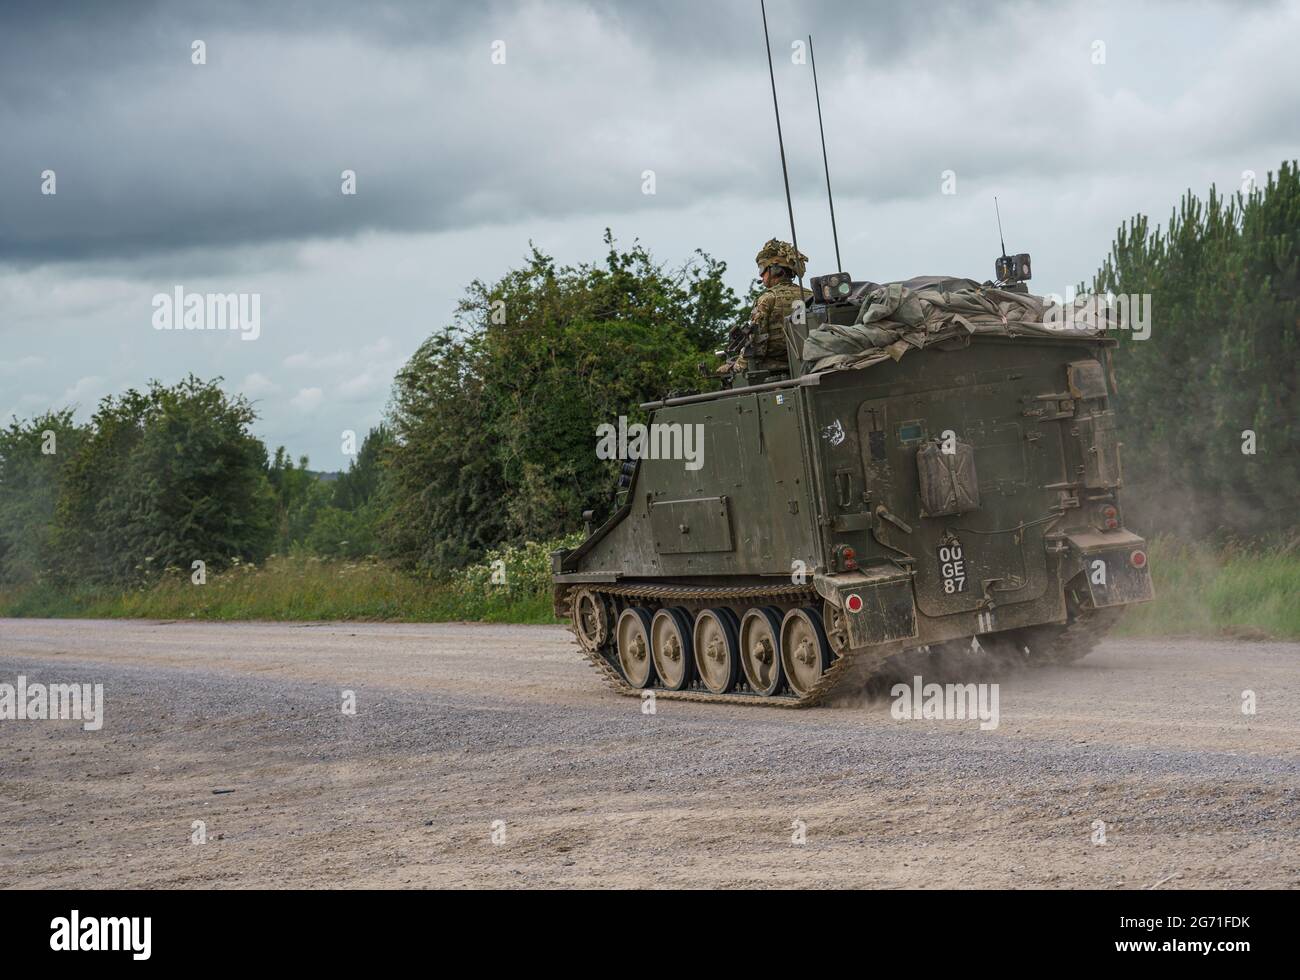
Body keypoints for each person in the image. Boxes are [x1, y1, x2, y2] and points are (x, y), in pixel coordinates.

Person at [727, 238, 811, 378]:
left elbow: (754, 342)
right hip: (807, 364)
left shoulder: (767, 299)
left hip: (774, 370)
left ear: (775, 270)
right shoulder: (809, 295)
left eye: (762, 269)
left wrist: (735, 366)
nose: (761, 275)